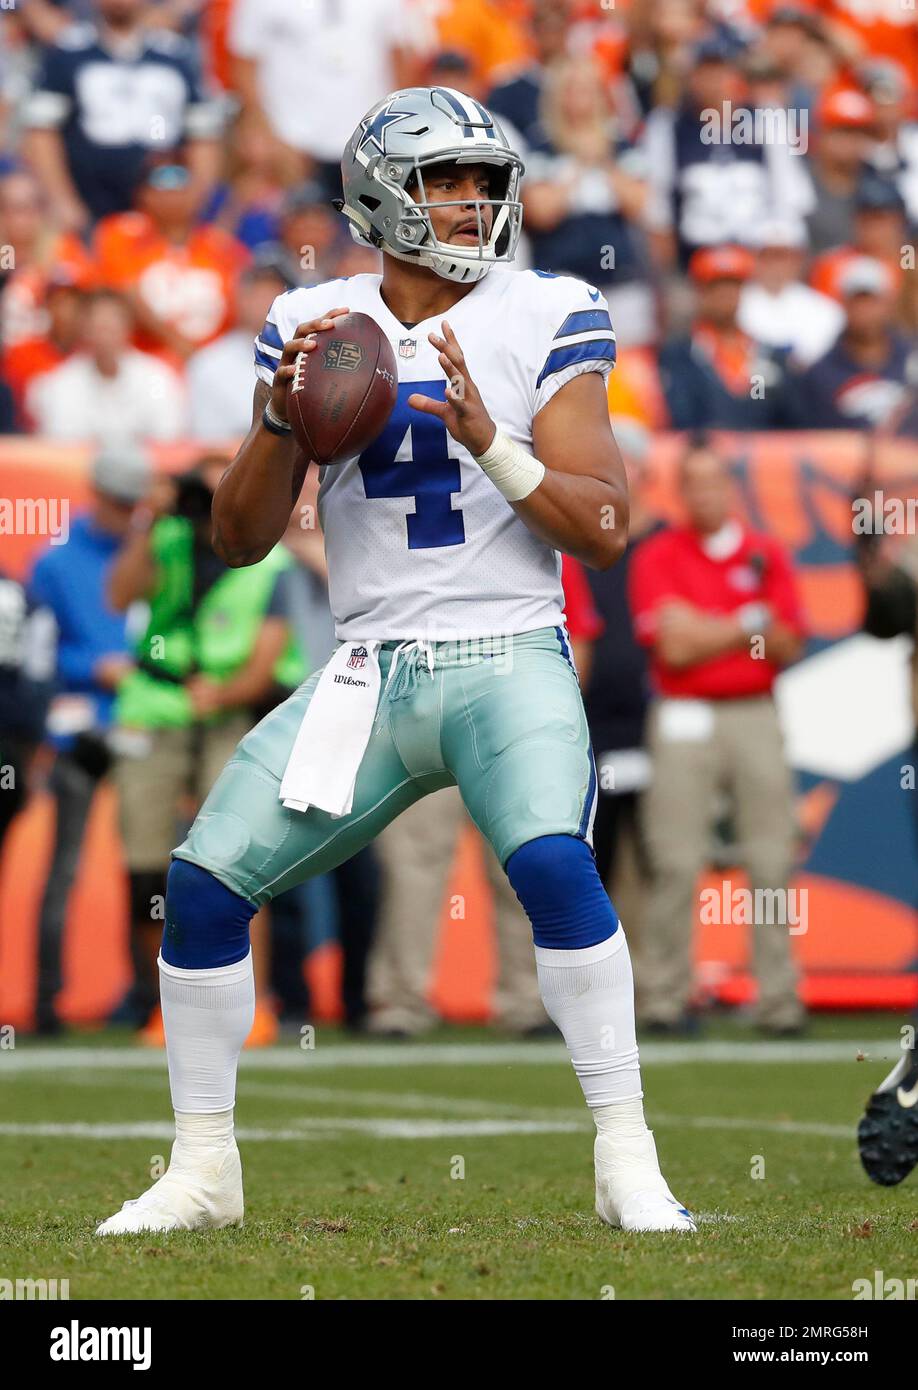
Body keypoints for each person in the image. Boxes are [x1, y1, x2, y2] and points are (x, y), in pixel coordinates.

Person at [95, 85, 694, 1237]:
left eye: (483, 180)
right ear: (381, 195)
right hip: (367, 668)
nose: (474, 203)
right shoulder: (313, 319)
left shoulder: (548, 309)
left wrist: (487, 441)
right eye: (446, 182)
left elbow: (605, 527)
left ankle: (628, 1153)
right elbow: (235, 541)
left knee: (557, 871)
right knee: (205, 891)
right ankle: (205, 1166)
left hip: (506, 650)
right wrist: (280, 421)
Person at [107, 457, 305, 1040]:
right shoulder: (164, 539)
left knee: (236, 859)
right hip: (155, 708)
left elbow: (270, 652)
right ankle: (161, 1006)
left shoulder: (273, 559)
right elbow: (120, 596)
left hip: (231, 714)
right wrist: (149, 520)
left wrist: (218, 693)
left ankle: (254, 1003)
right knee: (146, 868)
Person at [629, 437, 807, 1036]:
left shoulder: (765, 552)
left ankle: (779, 999)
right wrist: (748, 619)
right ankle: (664, 998)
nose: (705, 493)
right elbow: (673, 648)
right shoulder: (658, 554)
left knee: (771, 859)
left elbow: (787, 643)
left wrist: (711, 628)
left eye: (714, 481)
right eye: (694, 482)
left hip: (754, 711)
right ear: (681, 490)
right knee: (675, 860)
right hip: (683, 716)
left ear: (730, 487)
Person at [28, 441, 150, 1035]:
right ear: (97, 495)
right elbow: (37, 654)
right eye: (121, 502)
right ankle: (47, 1000)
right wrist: (92, 665)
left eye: (137, 505)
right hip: (79, 727)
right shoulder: (54, 562)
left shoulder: (152, 553)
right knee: (65, 866)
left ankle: (144, 997)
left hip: (140, 724)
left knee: (146, 861)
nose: (128, 514)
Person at [22, 0, 222, 230]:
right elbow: (42, 133)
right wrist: (62, 200)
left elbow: (204, 136)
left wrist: (196, 200)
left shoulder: (175, 55)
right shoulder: (69, 52)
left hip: (163, 210)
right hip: (91, 209)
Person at [26, 288, 186, 442]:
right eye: (98, 324)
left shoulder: (158, 378)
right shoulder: (59, 384)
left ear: (128, 326)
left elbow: (167, 444)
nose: (105, 332)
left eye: (112, 323)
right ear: (83, 329)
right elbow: (60, 448)